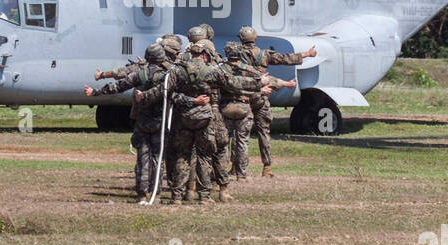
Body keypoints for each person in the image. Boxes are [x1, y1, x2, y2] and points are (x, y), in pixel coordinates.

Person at [139, 38, 267, 203]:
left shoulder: (177, 70)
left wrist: (143, 96)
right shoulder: (211, 71)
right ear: (205, 54)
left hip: (183, 118)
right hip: (205, 119)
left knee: (182, 156)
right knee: (204, 156)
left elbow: (163, 91)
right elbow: (234, 83)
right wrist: (258, 82)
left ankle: (177, 197)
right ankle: (204, 196)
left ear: (192, 53)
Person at [85, 43, 172, 202]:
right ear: (162, 58)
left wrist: (95, 92)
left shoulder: (140, 74)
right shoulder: (168, 76)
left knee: (142, 158)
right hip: (161, 122)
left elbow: (118, 86)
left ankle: (142, 193)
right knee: (158, 158)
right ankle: (156, 194)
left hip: (143, 122)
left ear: (147, 57)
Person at [237, 26, 317, 177]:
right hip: (261, 98)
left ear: (241, 39)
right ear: (255, 39)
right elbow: (285, 59)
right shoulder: (264, 54)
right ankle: (267, 167)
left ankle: (237, 168)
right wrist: (308, 54)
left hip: (243, 97)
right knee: (264, 132)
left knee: (240, 133)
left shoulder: (235, 56)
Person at [223, 41, 296, 180]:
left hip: (237, 103)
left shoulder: (222, 68)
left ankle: (231, 168)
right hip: (258, 100)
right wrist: (286, 84)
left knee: (233, 137)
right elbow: (267, 79)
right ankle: (264, 168)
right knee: (254, 135)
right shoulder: (255, 63)